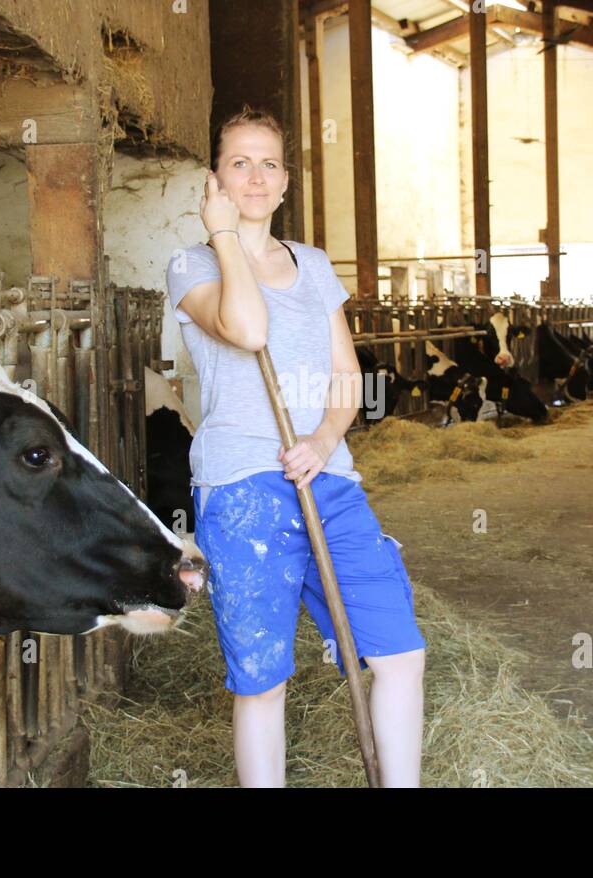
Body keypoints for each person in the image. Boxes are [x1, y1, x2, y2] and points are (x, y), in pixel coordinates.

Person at [165, 107, 426, 787]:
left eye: (270, 163)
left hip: (330, 479)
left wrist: (321, 438)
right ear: (215, 177)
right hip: (242, 487)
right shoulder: (190, 265)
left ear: (286, 182)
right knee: (262, 680)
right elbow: (248, 329)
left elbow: (348, 377)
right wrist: (225, 233)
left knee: (399, 652)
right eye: (239, 163)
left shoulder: (312, 266)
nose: (256, 176)